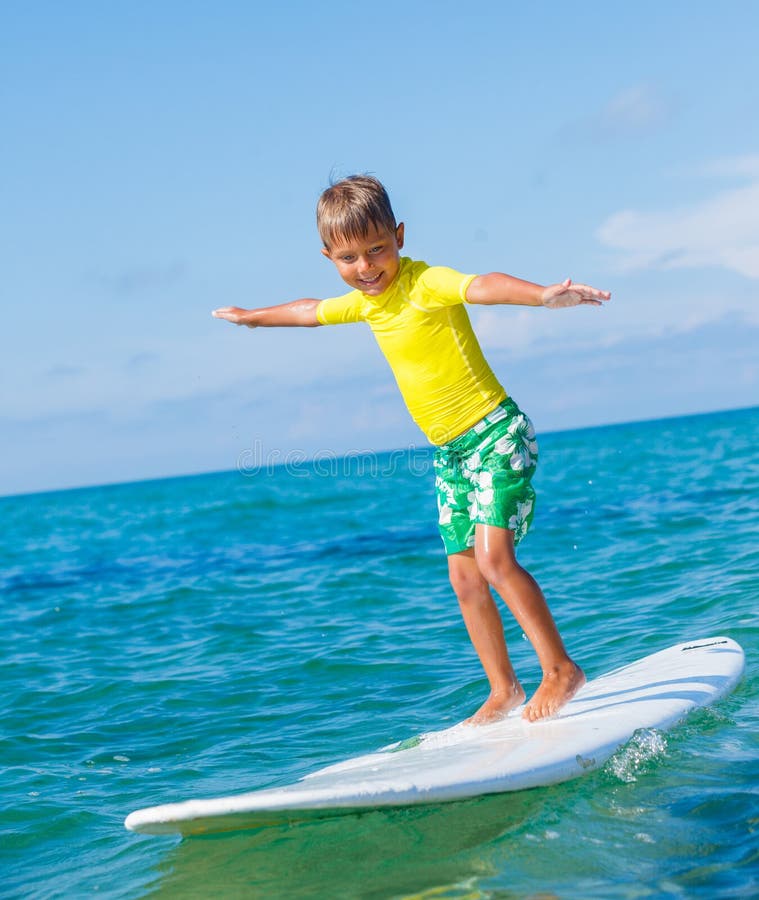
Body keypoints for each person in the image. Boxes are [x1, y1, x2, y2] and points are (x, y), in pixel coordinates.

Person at [213, 175, 610, 723]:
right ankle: (503, 689)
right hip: (449, 453)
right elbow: (309, 311)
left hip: (495, 432)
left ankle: (561, 670)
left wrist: (542, 295)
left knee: (495, 561)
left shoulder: (425, 282)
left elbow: (481, 284)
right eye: (349, 257)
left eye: (377, 249)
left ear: (399, 236)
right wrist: (254, 317)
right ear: (329, 257)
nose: (367, 267)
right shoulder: (365, 304)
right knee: (464, 576)